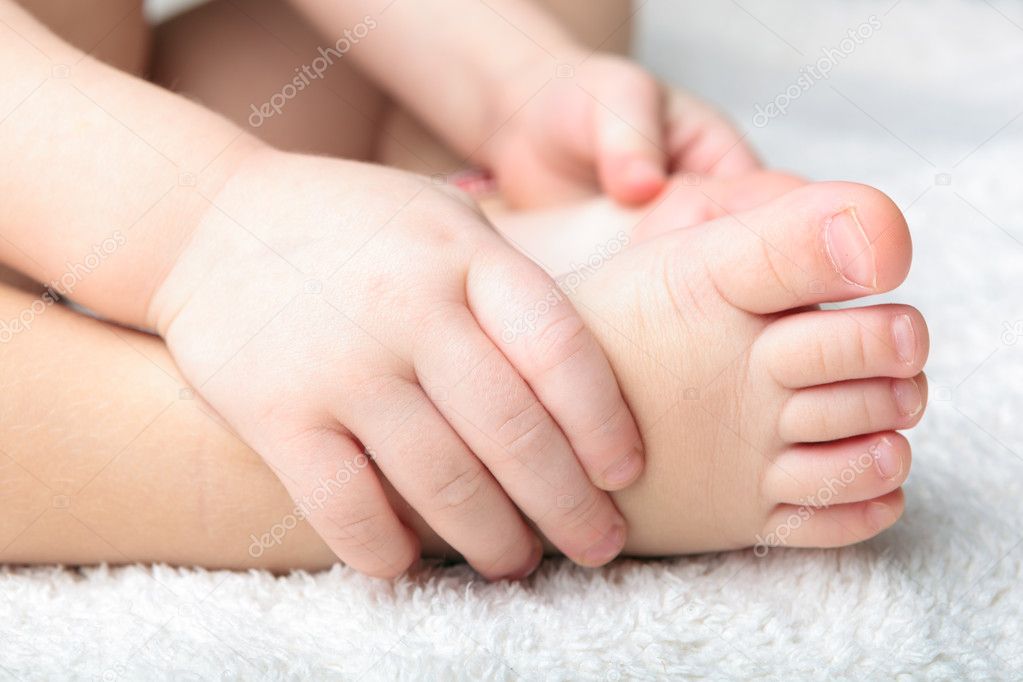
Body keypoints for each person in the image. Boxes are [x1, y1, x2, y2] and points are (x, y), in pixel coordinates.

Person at [0, 0, 926, 577]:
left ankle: (478, 249)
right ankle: (429, 447)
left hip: (105, 100)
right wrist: (212, 228)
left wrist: (507, 81)